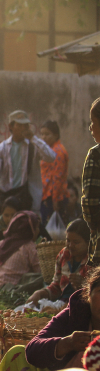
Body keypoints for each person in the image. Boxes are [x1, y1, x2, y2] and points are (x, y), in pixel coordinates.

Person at [0, 267, 100, 371]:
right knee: (17, 354)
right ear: (88, 294)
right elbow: (32, 349)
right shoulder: (74, 314)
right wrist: (67, 343)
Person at [0, 110, 57, 213]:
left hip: (28, 200)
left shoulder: (33, 146)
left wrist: (33, 138)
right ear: (11, 126)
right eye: (19, 125)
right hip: (7, 199)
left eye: (25, 125)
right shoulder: (1, 148)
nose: (23, 128)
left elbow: (51, 157)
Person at [27, 219, 90, 305]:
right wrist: (39, 293)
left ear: (88, 243)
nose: (70, 245)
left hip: (84, 305)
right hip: (62, 303)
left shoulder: (94, 260)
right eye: (68, 241)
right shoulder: (64, 255)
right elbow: (56, 287)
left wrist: (84, 285)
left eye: (76, 242)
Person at [0, 211, 41, 289]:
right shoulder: (30, 248)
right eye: (36, 227)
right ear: (30, 230)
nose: (38, 230)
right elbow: (40, 273)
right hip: (13, 293)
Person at [39, 120, 69, 227]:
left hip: (53, 197)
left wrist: (55, 200)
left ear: (56, 135)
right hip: (47, 195)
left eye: (47, 134)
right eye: (42, 134)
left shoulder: (58, 151)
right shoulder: (49, 150)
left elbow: (57, 177)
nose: (44, 137)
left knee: (52, 232)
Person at [82, 97, 100, 266]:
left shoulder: (95, 155)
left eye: (93, 122)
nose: (91, 128)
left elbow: (91, 201)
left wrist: (92, 224)